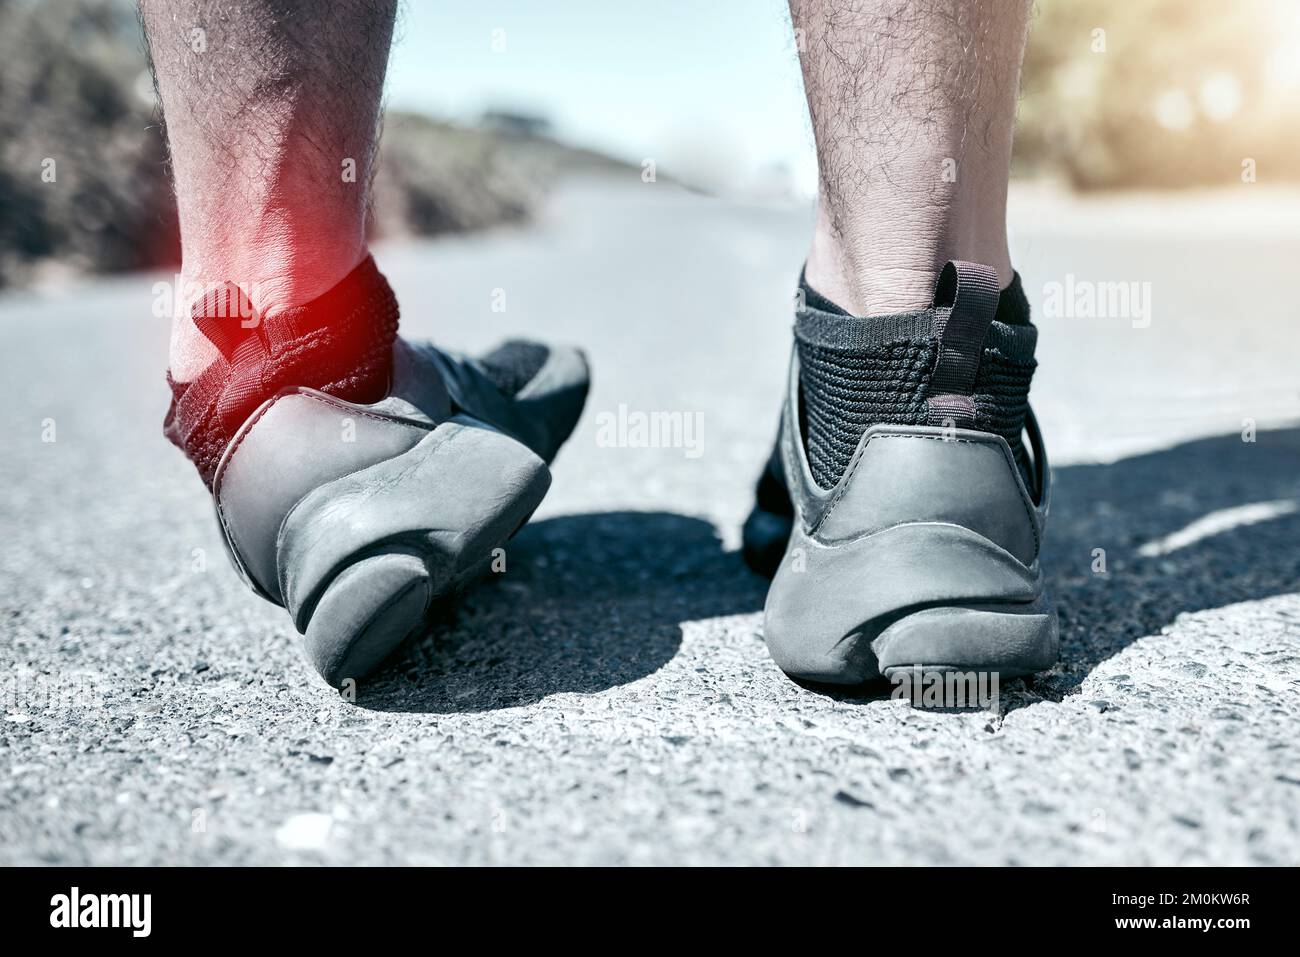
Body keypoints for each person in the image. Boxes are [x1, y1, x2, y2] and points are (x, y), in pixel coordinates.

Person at [139, 0, 1054, 688]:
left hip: (253, 425)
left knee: (271, 292)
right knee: (909, 293)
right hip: (950, 427)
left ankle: (279, 371)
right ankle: (909, 378)